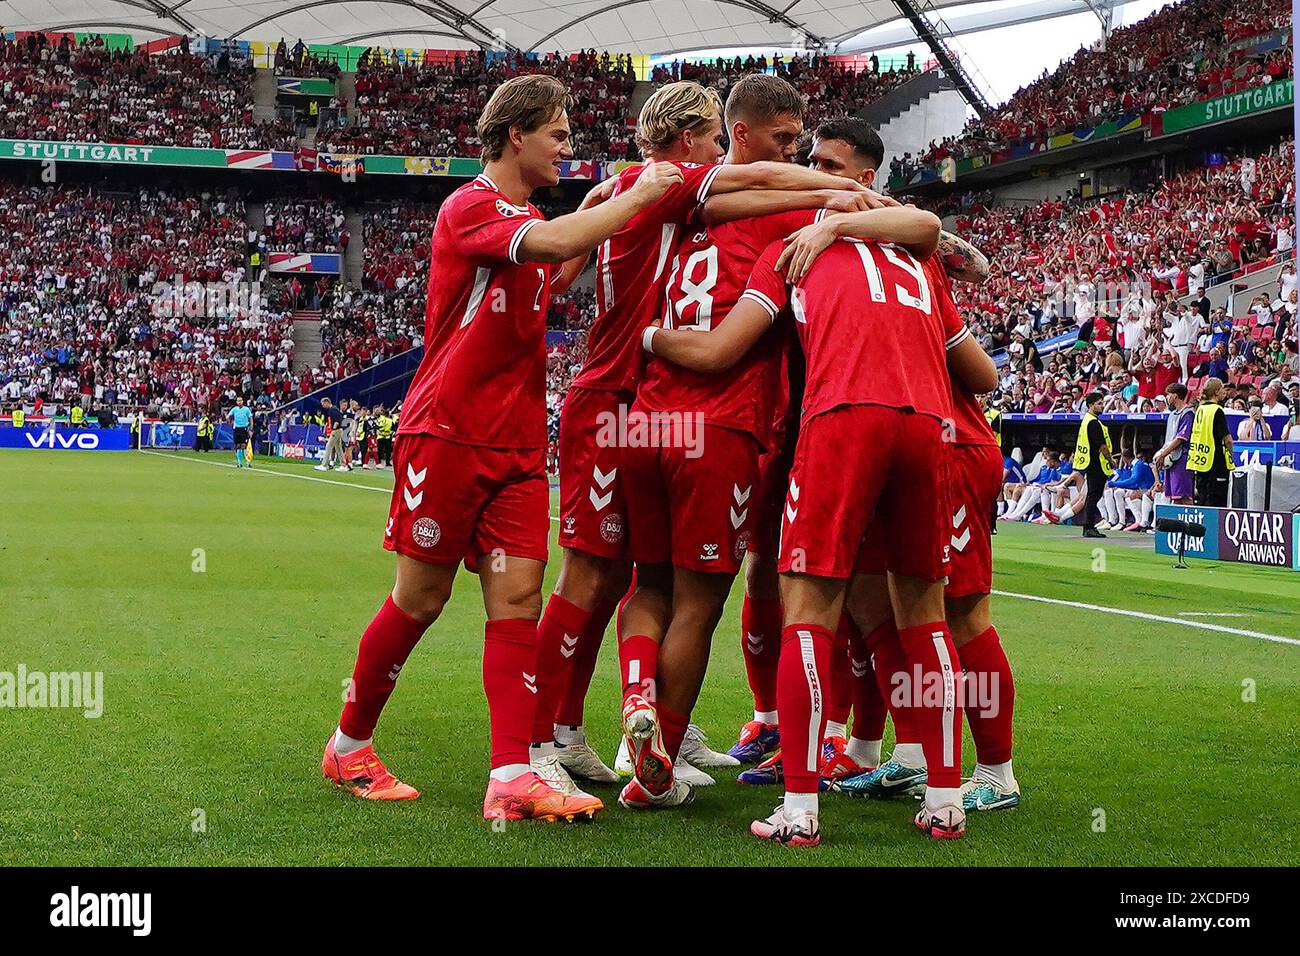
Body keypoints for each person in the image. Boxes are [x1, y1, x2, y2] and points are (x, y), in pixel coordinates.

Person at [321, 73, 694, 823]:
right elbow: (554, 243)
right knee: (420, 599)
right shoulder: (470, 206)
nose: (567, 145)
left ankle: (511, 773)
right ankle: (348, 744)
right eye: (557, 132)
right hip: (447, 433)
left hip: (519, 445)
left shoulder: (522, 216)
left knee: (519, 599)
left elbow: (552, 266)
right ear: (517, 134)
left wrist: (594, 210)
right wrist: (637, 194)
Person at [540, 78, 870, 797]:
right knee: (614, 580)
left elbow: (558, 281)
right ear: (692, 142)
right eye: (718, 140)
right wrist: (843, 201)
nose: (725, 151)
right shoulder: (680, 191)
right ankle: (556, 737)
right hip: (673, 411)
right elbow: (754, 190)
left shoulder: (655, 205)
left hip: (642, 411)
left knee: (638, 581)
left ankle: (641, 716)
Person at [1066, 392, 1116, 538]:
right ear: (1090, 405)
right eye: (1099, 403)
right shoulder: (1093, 422)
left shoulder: (1087, 420)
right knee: (1094, 494)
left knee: (1092, 494)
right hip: (1096, 462)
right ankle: (1089, 526)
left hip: (1090, 461)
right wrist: (1110, 460)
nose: (1102, 406)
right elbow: (1102, 445)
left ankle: (1088, 526)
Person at [1187, 377, 1233, 507]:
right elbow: (1227, 439)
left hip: (1200, 460)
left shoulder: (1200, 409)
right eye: (1223, 388)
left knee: (1202, 499)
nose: (1225, 391)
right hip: (1215, 460)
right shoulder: (1216, 410)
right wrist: (1230, 455)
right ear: (1216, 391)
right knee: (1216, 500)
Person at [1152, 383, 1194, 505]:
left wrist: (1163, 454)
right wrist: (1160, 454)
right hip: (1170, 459)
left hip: (1182, 459)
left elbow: (1180, 439)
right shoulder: (1172, 414)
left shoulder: (1188, 414)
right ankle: (1177, 523)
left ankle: (1189, 523)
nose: (1167, 397)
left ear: (1175, 396)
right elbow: (1169, 439)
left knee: (1184, 497)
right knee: (1174, 497)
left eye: (1168, 394)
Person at [315, 398, 344, 471]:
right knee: (338, 448)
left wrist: (333, 429)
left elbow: (337, 420)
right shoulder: (335, 409)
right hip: (339, 430)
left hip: (336, 430)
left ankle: (324, 465)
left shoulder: (332, 410)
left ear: (327, 402)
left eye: (323, 404)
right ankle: (343, 465)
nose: (323, 406)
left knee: (328, 446)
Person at [229, 397, 253, 469]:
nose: (239, 402)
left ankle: (248, 462)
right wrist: (230, 421)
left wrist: (251, 426)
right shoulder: (234, 409)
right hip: (237, 429)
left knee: (244, 445)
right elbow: (229, 415)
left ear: (243, 401)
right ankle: (239, 463)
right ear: (236, 402)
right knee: (238, 446)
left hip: (244, 428)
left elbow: (250, 417)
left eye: (240, 401)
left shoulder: (246, 409)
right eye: (238, 401)